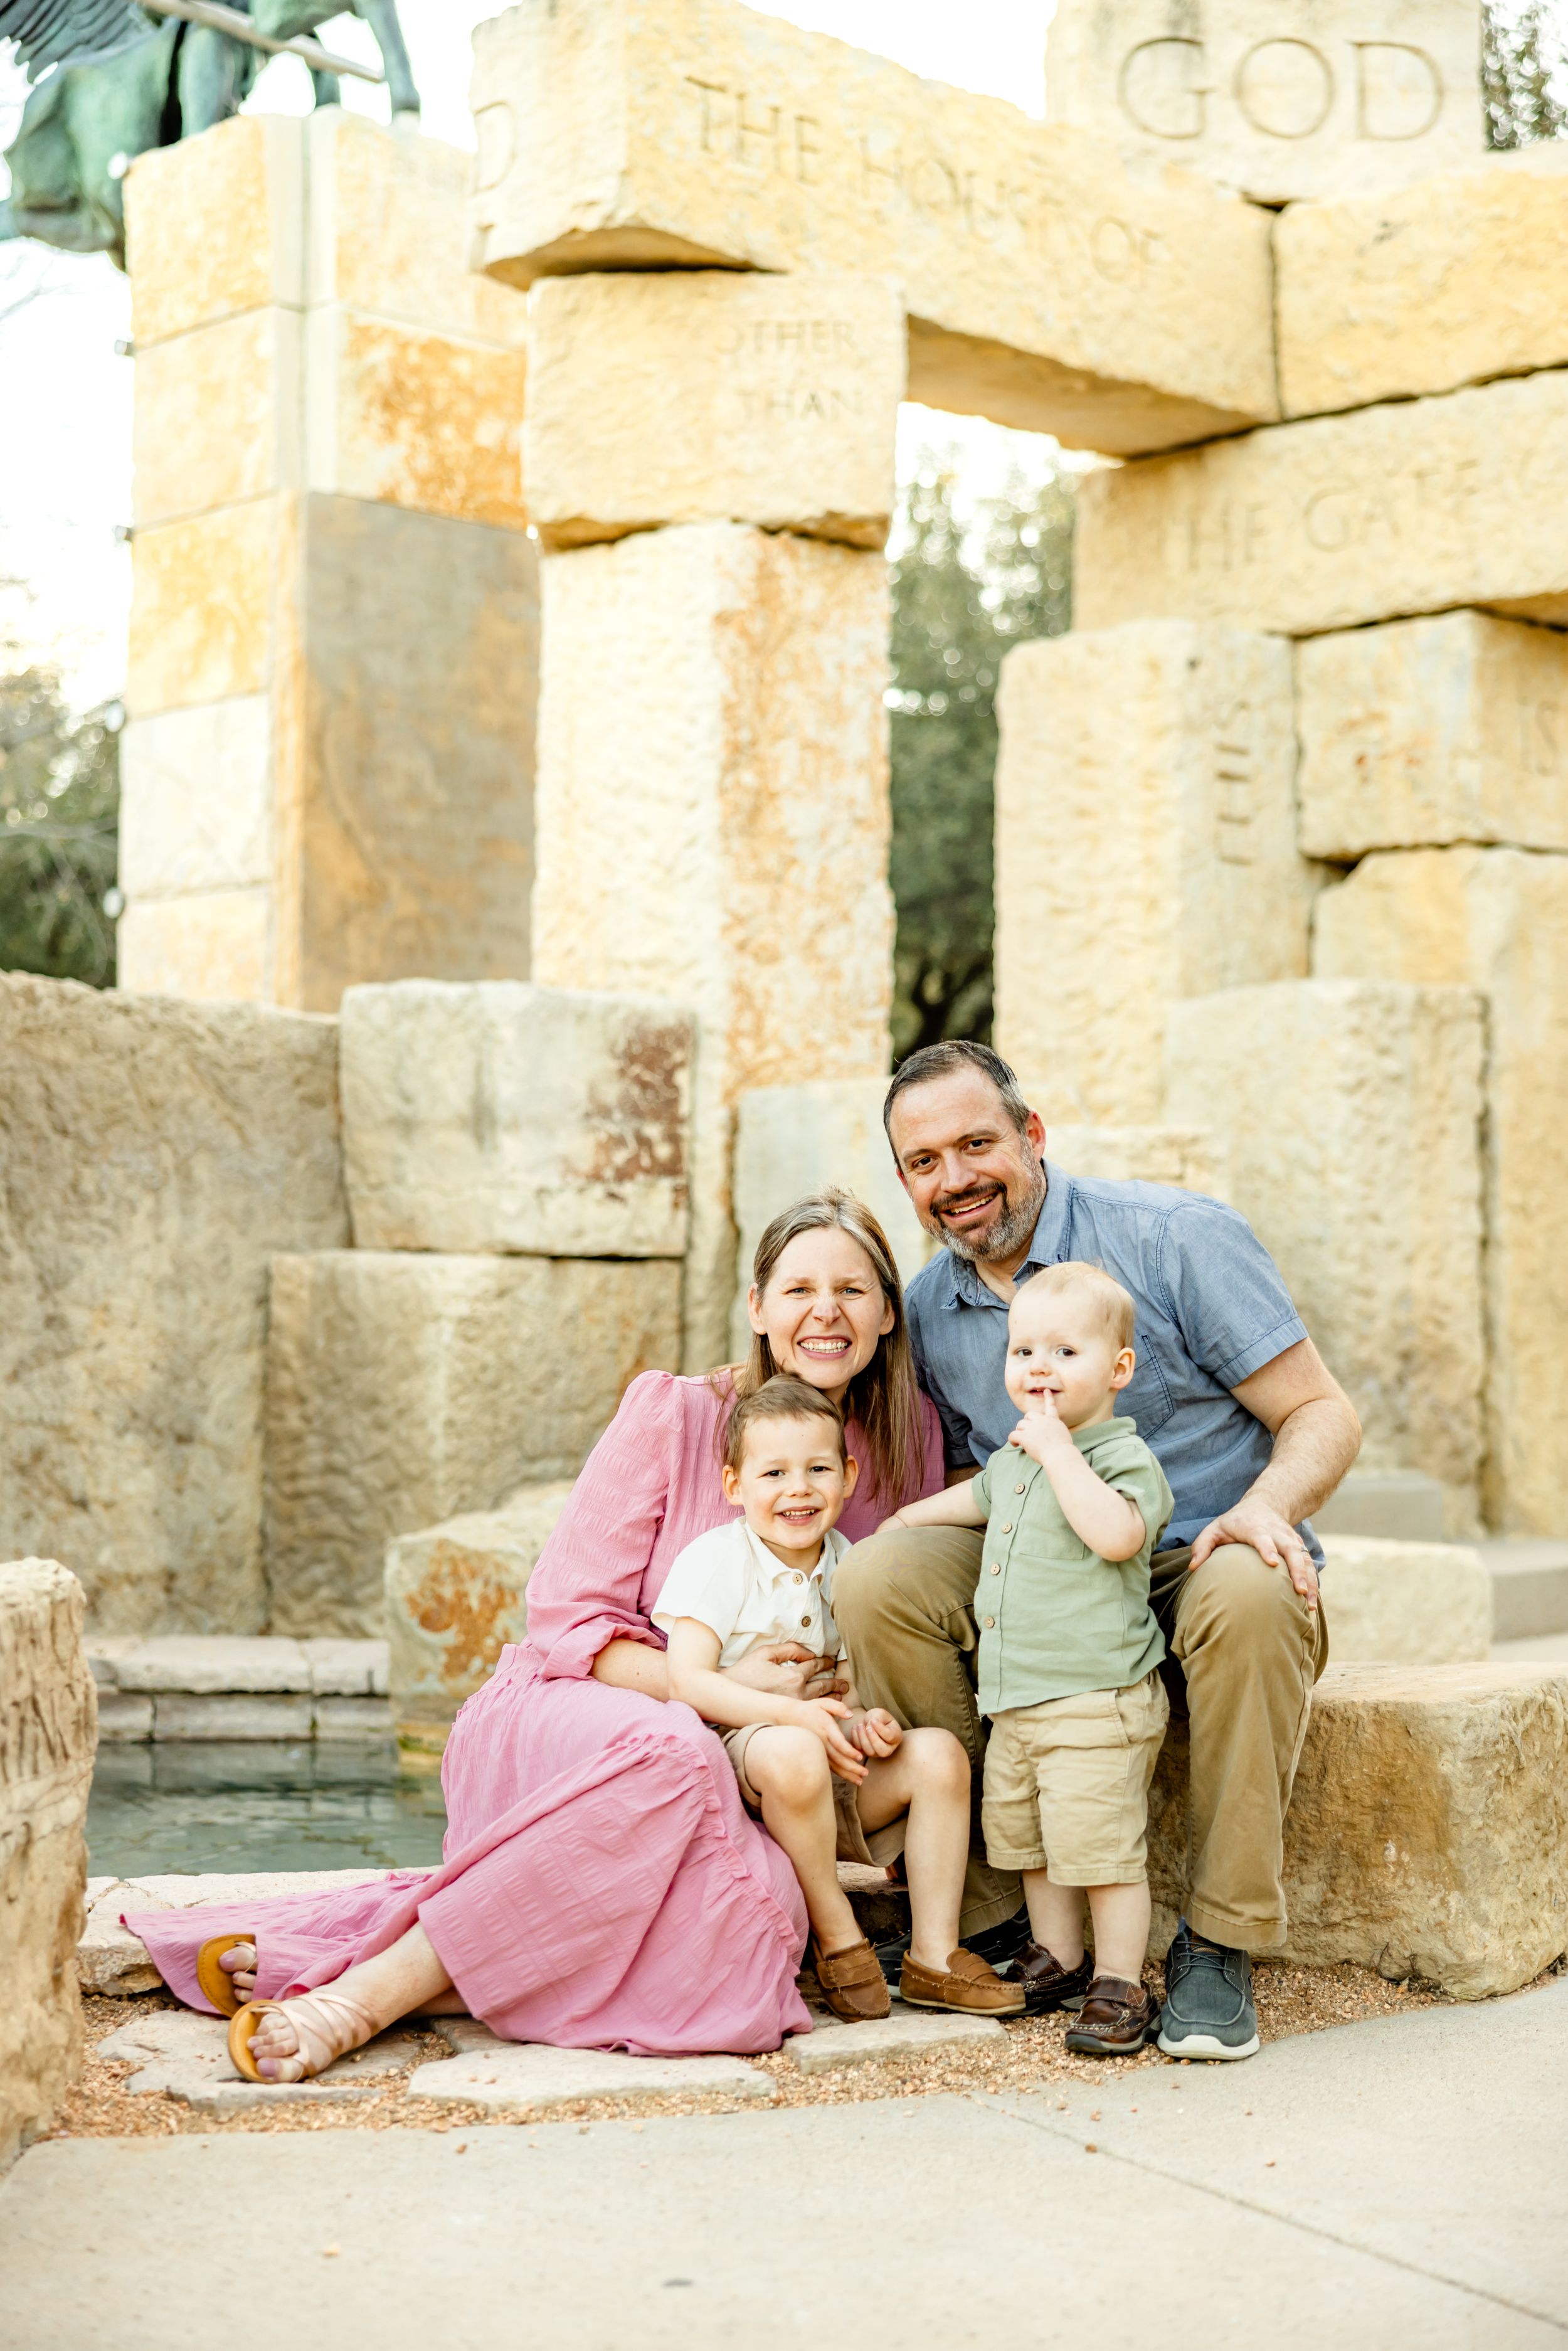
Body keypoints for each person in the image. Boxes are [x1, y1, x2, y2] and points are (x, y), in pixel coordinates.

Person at [124, 1191, 949, 2081]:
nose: (826, 1312)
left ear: (888, 1311)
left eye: (852, 1290)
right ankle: (353, 2003)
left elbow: (887, 1620)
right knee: (677, 1755)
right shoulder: (674, 1414)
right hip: (586, 1707)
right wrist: (726, 1689)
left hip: (762, 1759)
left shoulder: (907, 1444)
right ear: (756, 1306)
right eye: (798, 1290)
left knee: (763, 1901)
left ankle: (355, 1969)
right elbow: (566, 1619)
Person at [834, 1041, 1362, 2064]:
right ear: (905, 1181)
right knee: (880, 1577)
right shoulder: (932, 1309)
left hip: (1195, 1552)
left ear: (1032, 1136)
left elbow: (1322, 1412)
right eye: (925, 1161)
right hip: (1054, 1578)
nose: (956, 1178)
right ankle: (997, 1920)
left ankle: (1218, 1939)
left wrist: (1266, 1509)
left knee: (1255, 1588)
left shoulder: (1173, 1239)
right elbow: (975, 1477)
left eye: (977, 1144)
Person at [658, 1374, 1022, 2024]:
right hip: (744, 1766)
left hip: (825, 1765)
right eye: (774, 1473)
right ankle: (837, 1934)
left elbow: (846, 1689)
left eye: (818, 1469)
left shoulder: (846, 1560)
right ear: (735, 1485)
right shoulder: (718, 1560)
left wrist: (864, 1724)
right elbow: (686, 1681)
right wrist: (792, 1714)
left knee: (938, 1755)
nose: (798, 1488)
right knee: (793, 1749)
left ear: (848, 1476)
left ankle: (934, 1954)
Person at [886, 1262, 1173, 2054]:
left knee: (1101, 1851)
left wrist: (1057, 1453)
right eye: (1023, 1352)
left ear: (1118, 1369)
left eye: (1064, 1352)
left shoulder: (1117, 1457)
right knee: (1033, 1843)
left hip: (1094, 1699)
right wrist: (907, 1519)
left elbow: (1116, 1534)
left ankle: (1120, 1981)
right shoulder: (1017, 1457)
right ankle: (1059, 1957)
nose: (1038, 1367)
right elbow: (978, 1498)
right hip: (1017, 1701)